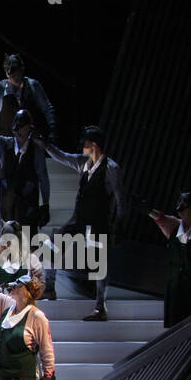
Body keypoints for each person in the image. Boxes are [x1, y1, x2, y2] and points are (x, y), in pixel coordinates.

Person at [40, 126, 128, 321]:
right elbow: (62, 157)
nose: (82, 147)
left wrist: (117, 225)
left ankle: (100, 307)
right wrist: (46, 145)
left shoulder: (110, 168)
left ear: (93, 145)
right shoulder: (83, 163)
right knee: (49, 247)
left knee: (99, 264)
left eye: (85, 143)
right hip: (78, 220)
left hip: (98, 222)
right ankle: (50, 288)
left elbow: (120, 199)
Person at [0, 108, 50, 236]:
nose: (18, 131)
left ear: (29, 128)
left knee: (26, 244)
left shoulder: (36, 150)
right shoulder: (4, 144)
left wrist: (45, 204)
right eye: (17, 127)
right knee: (6, 242)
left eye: (22, 127)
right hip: (7, 205)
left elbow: (43, 177)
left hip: (27, 207)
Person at [150, 191, 191, 327]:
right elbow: (160, 218)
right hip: (175, 284)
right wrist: (147, 209)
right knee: (175, 320)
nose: (181, 208)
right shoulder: (174, 225)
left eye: (185, 204)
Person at [0, 54, 57, 137]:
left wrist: (52, 129)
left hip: (32, 137)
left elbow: (47, 108)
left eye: (14, 69)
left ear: (22, 68)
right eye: (7, 69)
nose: (10, 72)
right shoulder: (2, 86)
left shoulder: (33, 85)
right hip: (9, 138)